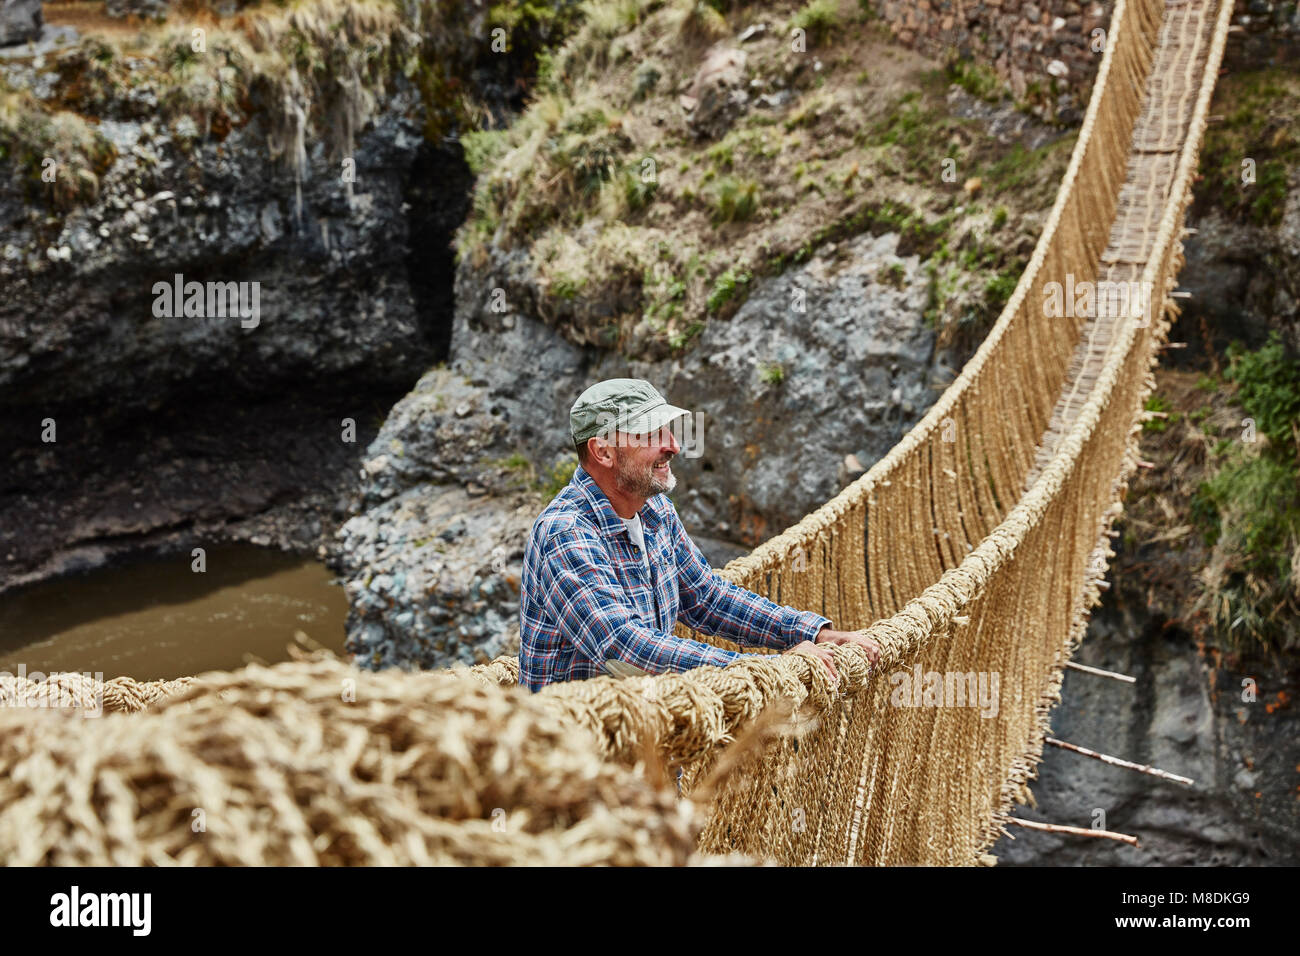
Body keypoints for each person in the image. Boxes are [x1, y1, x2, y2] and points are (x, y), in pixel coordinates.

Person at [518, 378, 881, 692]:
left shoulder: (654, 511)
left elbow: (706, 599)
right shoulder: (565, 533)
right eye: (651, 433)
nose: (673, 445)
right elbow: (622, 644)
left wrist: (809, 633)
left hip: (648, 754)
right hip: (572, 765)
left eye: (668, 430)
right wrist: (760, 669)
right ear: (603, 451)